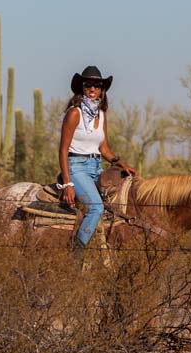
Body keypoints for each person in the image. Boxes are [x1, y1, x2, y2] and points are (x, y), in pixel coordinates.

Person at [58, 65, 137, 255]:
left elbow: (104, 148)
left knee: (119, 202)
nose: (92, 89)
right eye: (88, 85)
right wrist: (67, 183)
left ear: (102, 90)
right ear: (82, 88)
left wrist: (122, 164)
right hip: (76, 167)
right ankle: (75, 253)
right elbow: (63, 150)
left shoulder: (101, 114)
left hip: (96, 166)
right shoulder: (74, 113)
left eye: (97, 85)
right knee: (96, 207)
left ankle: (105, 249)